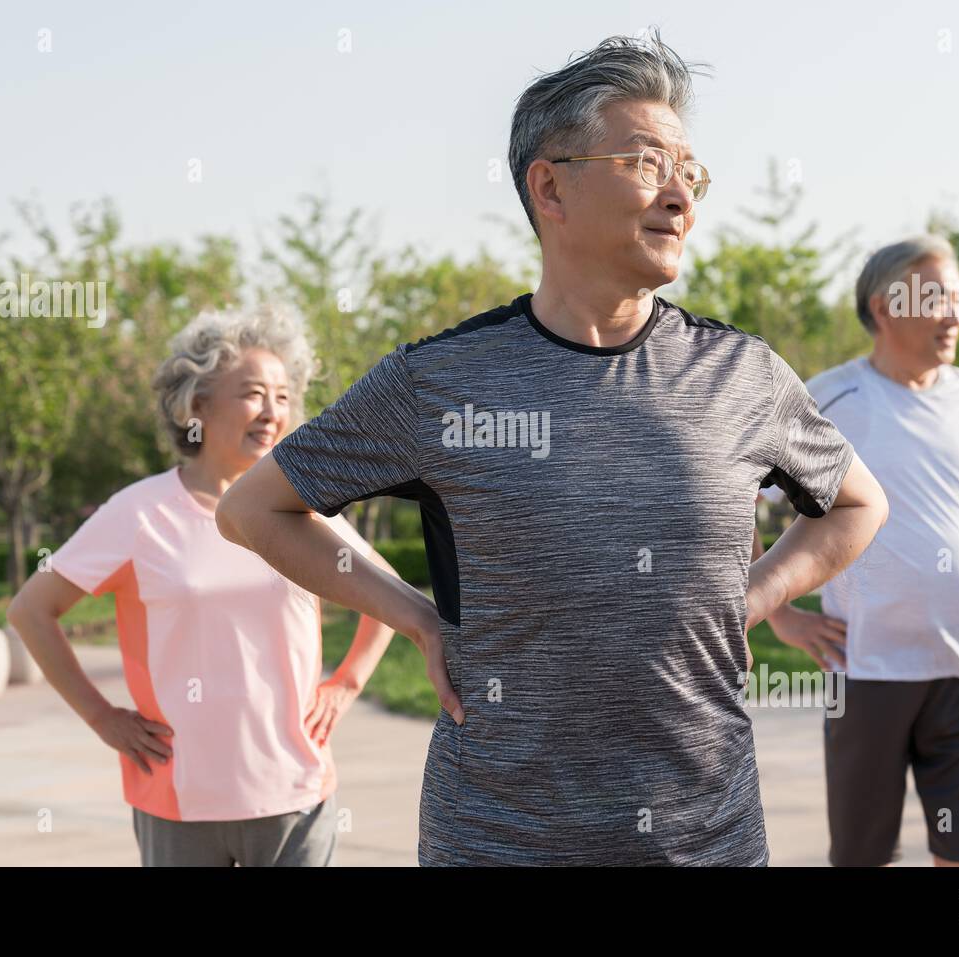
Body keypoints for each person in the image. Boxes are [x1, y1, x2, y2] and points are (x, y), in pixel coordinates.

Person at [217, 29, 888, 865]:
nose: (681, 195)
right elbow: (253, 507)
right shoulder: (441, 381)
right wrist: (415, 618)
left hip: (704, 841)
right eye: (647, 163)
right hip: (497, 839)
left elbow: (861, 502)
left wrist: (754, 596)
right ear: (551, 188)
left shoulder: (743, 374)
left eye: (691, 172)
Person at [7, 305, 402, 866]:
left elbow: (387, 593)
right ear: (197, 404)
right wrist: (102, 717)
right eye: (252, 393)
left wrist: (347, 683)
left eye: (284, 396)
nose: (272, 411)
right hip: (176, 795)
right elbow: (31, 610)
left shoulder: (304, 511)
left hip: (295, 786)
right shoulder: (137, 513)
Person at [758, 235, 959, 866]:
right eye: (940, 298)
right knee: (863, 857)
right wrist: (779, 612)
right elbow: (740, 498)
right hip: (868, 670)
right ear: (884, 306)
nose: (957, 314)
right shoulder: (828, 399)